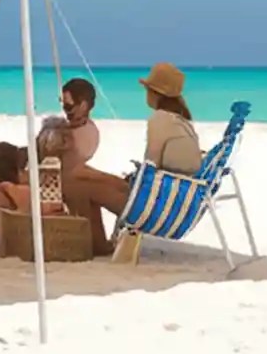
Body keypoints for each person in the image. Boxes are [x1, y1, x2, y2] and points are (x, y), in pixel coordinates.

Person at [63, 62, 201, 254]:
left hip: (154, 204)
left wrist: (117, 180)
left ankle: (96, 246)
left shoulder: (160, 120)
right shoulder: (180, 120)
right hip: (170, 197)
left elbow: (150, 166)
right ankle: (98, 244)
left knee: (78, 187)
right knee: (86, 176)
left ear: (154, 93)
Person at [61, 77, 100, 165]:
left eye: (68, 106)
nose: (64, 110)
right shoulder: (70, 127)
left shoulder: (87, 134)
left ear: (83, 105)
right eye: (63, 105)